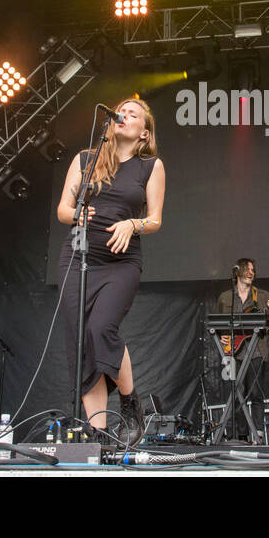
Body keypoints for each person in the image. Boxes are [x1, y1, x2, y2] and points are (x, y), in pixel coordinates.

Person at [56, 98, 165, 446]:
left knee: (102, 328)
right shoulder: (85, 160)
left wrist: (133, 224)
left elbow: (156, 219)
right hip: (77, 257)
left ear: (143, 133)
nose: (125, 115)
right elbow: (63, 208)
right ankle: (98, 432)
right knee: (81, 341)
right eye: (122, 111)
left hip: (121, 263)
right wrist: (77, 216)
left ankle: (130, 406)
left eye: (133, 114)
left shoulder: (151, 166)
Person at [215, 258, 269, 443]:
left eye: (253, 270)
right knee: (234, 392)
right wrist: (221, 336)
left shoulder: (263, 295)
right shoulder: (225, 297)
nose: (251, 273)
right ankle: (238, 435)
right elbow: (216, 323)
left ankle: (257, 433)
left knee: (256, 394)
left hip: (256, 351)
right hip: (232, 352)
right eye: (247, 269)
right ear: (237, 272)